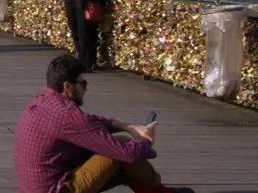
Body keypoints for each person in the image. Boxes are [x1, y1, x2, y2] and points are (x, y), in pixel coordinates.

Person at [14, 54, 194, 193]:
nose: (85, 88)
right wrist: (145, 142)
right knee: (122, 149)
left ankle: (161, 192)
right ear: (68, 87)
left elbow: (90, 121)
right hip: (57, 189)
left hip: (40, 185)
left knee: (120, 152)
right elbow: (127, 154)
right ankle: (162, 192)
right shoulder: (67, 114)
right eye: (82, 83)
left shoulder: (42, 102)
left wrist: (128, 127)